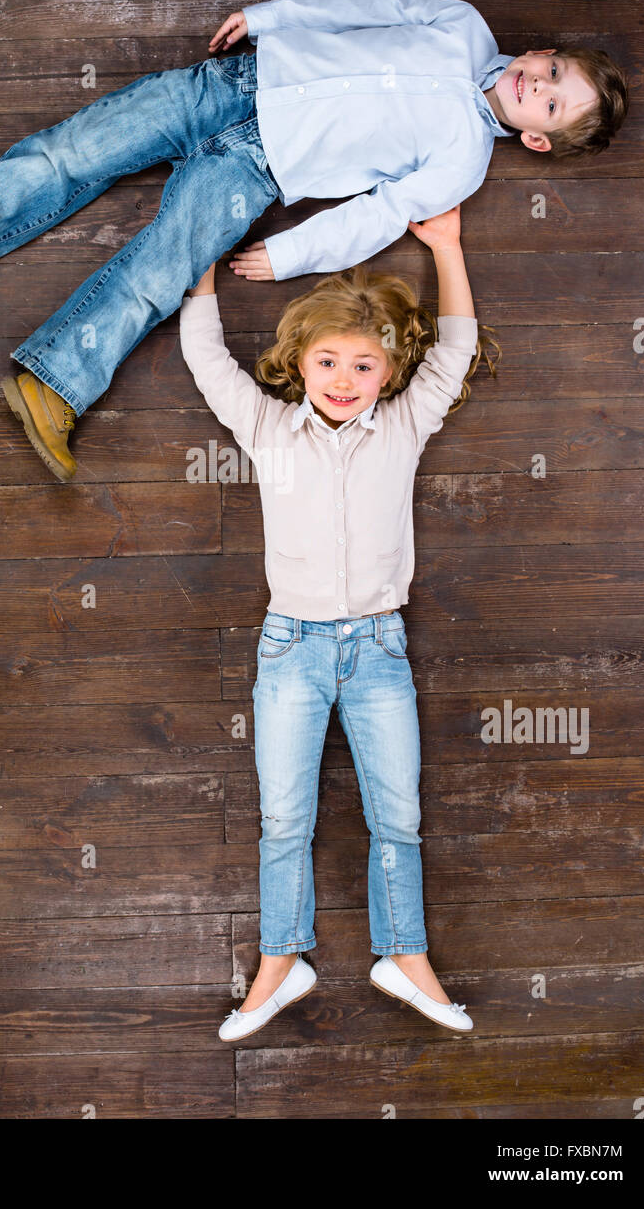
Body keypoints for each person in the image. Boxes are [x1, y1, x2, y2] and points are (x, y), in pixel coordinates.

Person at [0, 0, 627, 483]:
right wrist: (272, 19)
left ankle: (56, 383)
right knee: (85, 146)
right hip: (239, 81)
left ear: (536, 139)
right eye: (552, 68)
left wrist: (293, 253)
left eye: (553, 105)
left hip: (259, 171)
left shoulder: (461, 164)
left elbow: (376, 217)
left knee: (164, 265)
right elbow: (363, 6)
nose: (540, 85)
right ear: (538, 52)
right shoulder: (463, 24)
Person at [179, 204, 494, 1040]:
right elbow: (206, 358)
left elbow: (454, 350)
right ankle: (282, 964)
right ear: (302, 363)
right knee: (285, 816)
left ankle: (406, 958)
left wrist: (448, 249)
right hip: (291, 649)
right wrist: (198, 264)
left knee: (399, 814)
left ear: (388, 373)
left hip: (379, 647)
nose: (345, 378)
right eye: (328, 360)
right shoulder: (268, 429)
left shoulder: (404, 426)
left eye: (363, 363)